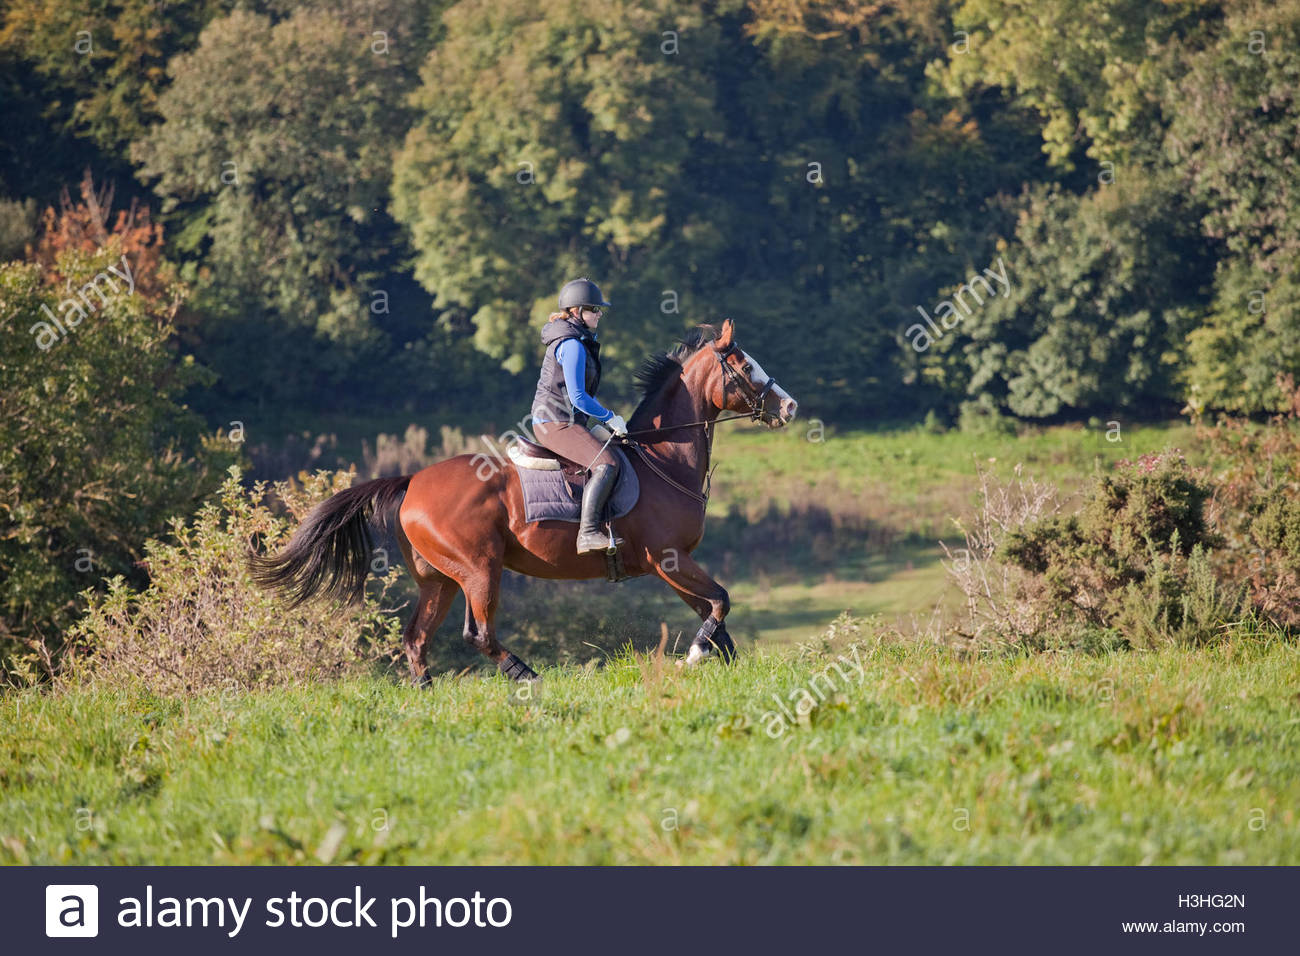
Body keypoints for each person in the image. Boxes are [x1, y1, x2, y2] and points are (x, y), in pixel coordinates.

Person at [530, 277, 629, 554]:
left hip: (564, 420)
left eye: (599, 310)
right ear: (577, 311)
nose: (599, 314)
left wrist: (607, 418)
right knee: (607, 464)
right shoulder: (572, 344)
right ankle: (587, 534)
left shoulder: (578, 340)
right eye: (594, 309)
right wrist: (608, 416)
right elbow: (578, 397)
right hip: (555, 422)